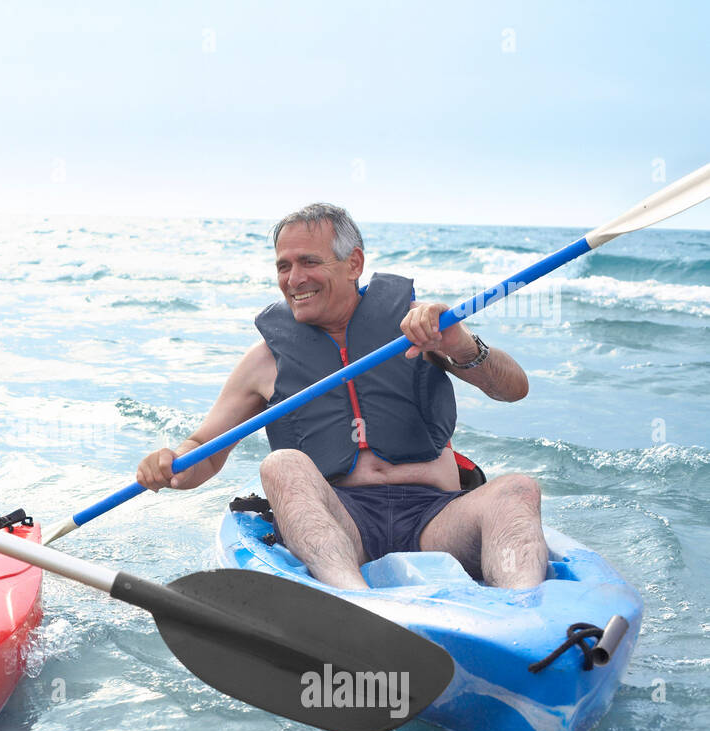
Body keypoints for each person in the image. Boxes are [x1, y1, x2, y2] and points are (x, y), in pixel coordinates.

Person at [136, 202, 547, 590]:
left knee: (518, 489)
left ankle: (526, 616)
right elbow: (205, 450)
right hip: (340, 524)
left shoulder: (421, 328)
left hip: (437, 518)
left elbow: (512, 389)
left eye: (309, 262)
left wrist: (459, 342)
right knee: (281, 465)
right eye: (284, 266)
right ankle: (354, 601)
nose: (294, 279)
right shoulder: (263, 362)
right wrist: (170, 464)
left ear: (354, 263)